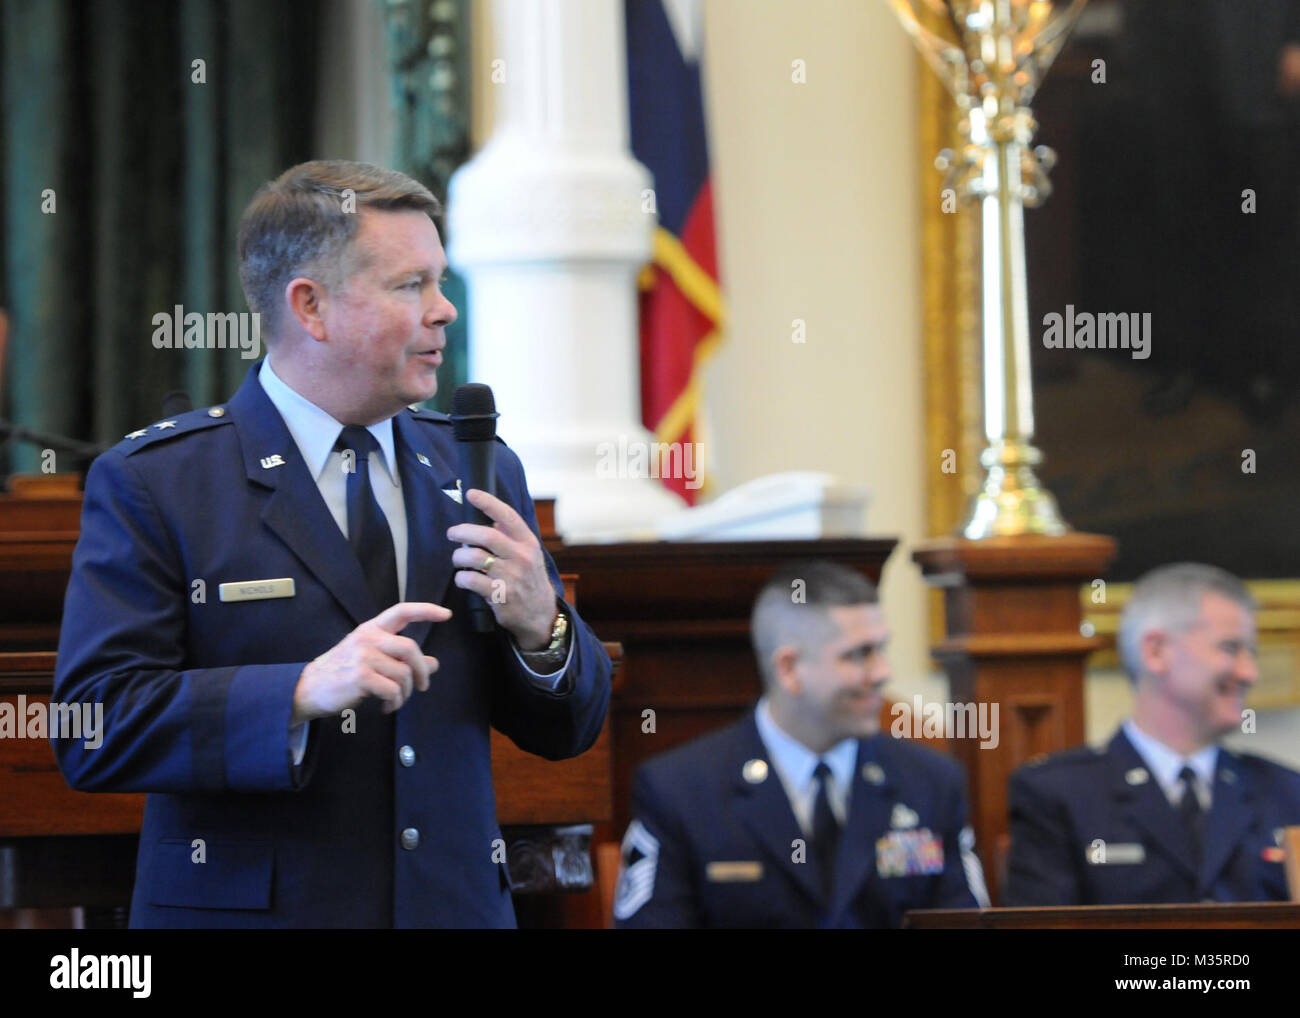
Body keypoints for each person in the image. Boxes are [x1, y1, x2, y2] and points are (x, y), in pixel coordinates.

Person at [50, 161, 611, 928]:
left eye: (440, 282)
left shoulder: (475, 463)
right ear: (309, 307)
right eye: (410, 285)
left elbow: (569, 730)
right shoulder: (161, 482)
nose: (444, 311)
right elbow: (95, 726)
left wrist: (543, 628)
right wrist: (297, 693)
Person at [613, 560, 987, 928]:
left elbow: (966, 921)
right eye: (858, 654)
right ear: (789, 669)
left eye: (881, 649)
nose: (882, 673)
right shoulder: (682, 791)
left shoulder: (931, 783)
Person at [1005, 562, 1300, 906]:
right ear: (1156, 651)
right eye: (1231, 648)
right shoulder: (1060, 795)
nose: (1249, 673)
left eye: (1252, 653)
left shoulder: (1285, 792)